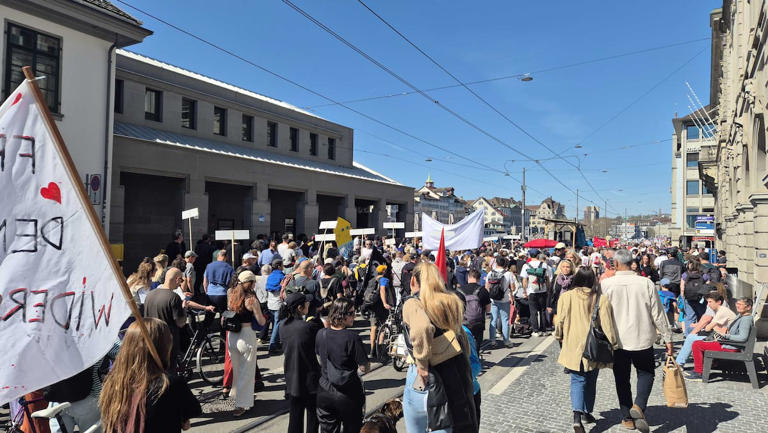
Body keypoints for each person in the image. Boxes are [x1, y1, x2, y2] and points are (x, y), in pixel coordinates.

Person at [601, 249, 673, 433]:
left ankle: (626, 418)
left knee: (622, 379)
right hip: (642, 337)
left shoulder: (606, 284)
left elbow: (600, 314)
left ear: (615, 264)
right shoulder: (646, 283)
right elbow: (658, 313)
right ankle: (639, 406)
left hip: (617, 340)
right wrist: (668, 337)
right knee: (646, 373)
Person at [402, 262, 478, 433]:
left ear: (413, 280)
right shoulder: (452, 300)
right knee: (449, 423)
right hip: (454, 370)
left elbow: (422, 328)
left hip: (425, 375)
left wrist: (421, 364)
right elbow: (462, 338)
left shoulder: (413, 303)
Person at [99, 318, 201, 433]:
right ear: (163, 346)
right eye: (169, 338)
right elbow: (194, 410)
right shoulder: (170, 384)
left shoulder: (113, 383)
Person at [554, 267, 618, 433]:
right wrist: (614, 344)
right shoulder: (600, 299)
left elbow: (559, 321)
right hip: (593, 346)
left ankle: (577, 416)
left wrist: (559, 335)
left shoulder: (566, 297)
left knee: (577, 379)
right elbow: (607, 325)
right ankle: (586, 412)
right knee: (591, 379)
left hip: (573, 344)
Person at [316, 298, 369, 433]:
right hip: (348, 394)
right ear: (341, 315)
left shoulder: (321, 334)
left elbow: (319, 356)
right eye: (351, 313)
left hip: (325, 391)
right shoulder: (353, 338)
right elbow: (364, 367)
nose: (354, 315)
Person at [279, 293, 324, 433]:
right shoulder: (309, 327)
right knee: (313, 416)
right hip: (310, 377)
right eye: (306, 303)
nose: (308, 305)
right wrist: (314, 317)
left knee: (295, 416)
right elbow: (320, 334)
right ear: (300, 308)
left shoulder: (282, 325)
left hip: (292, 376)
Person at [227, 271, 267, 416]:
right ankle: (241, 405)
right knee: (247, 372)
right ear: (249, 283)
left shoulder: (231, 295)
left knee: (237, 371)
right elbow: (261, 321)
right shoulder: (251, 299)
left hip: (232, 337)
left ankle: (238, 397)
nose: (255, 284)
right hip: (246, 335)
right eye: (253, 282)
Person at [686, 297, 754, 380]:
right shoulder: (741, 316)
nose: (737, 306)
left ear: (748, 307)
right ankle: (701, 369)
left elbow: (743, 338)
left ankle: (698, 372)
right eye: (737, 304)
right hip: (731, 344)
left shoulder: (746, 319)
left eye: (740, 304)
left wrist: (725, 336)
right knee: (701, 342)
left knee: (697, 344)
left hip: (732, 347)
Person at [675, 290, 735, 368]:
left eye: (710, 302)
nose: (708, 304)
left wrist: (701, 327)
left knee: (691, 338)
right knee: (694, 336)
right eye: (708, 302)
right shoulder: (722, 308)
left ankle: (679, 364)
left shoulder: (721, 311)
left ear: (719, 302)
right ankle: (680, 362)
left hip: (724, 339)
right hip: (721, 336)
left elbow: (707, 326)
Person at [144, 267, 188, 364]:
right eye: (181, 279)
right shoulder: (174, 297)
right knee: (169, 370)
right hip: (168, 342)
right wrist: (184, 309)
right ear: (177, 279)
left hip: (151, 339)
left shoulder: (149, 295)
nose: (181, 282)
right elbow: (181, 323)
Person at [459, 269, 491, 352]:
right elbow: (488, 309)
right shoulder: (483, 290)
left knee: (464, 344)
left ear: (468, 277)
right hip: (478, 322)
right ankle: (476, 361)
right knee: (477, 343)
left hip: (464, 322)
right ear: (479, 279)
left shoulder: (459, 291)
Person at [520, 253, 552, 337]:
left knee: (533, 311)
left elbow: (524, 280)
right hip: (543, 290)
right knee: (543, 310)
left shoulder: (526, 265)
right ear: (538, 256)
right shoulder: (544, 265)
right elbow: (548, 279)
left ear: (530, 255)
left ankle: (535, 330)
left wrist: (524, 291)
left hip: (531, 291)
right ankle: (543, 329)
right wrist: (548, 289)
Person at [486, 256, 515, 347]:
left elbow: (487, 287)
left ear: (496, 263)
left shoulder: (490, 273)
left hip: (493, 299)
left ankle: (492, 340)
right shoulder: (508, 274)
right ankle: (506, 341)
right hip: (504, 299)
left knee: (493, 319)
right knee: (505, 320)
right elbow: (513, 288)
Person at [203, 250, 235, 314]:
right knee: (224, 314)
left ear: (218, 256)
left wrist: (206, 292)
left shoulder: (209, 266)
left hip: (210, 293)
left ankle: (205, 324)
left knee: (209, 315)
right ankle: (223, 323)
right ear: (226, 257)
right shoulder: (229, 268)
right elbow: (230, 284)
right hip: (222, 293)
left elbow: (205, 282)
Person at [681, 259, 708, 331]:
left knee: (689, 316)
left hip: (688, 298)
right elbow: (708, 286)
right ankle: (700, 332)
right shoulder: (704, 275)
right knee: (701, 315)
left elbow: (682, 288)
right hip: (700, 298)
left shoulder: (685, 275)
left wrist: (683, 296)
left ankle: (689, 335)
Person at [266, 259, 286, 353]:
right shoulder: (282, 276)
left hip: (270, 303)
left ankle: (276, 343)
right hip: (278, 303)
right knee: (277, 324)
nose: (283, 266)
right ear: (279, 266)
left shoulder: (270, 276)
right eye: (282, 265)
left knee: (275, 324)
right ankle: (272, 345)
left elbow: (268, 287)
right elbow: (284, 288)